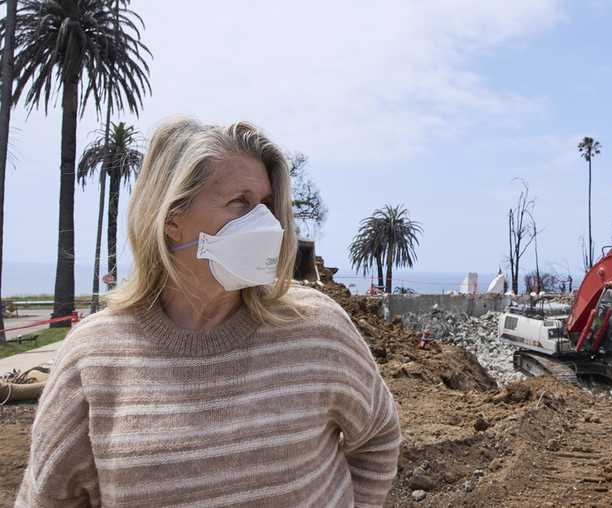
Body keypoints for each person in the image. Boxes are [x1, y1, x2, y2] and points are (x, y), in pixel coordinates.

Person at [16, 118, 401, 507]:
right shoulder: (93, 359)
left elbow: (378, 435)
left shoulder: (318, 329)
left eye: (266, 206)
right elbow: (47, 498)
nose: (266, 225)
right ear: (172, 220)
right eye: (240, 203)